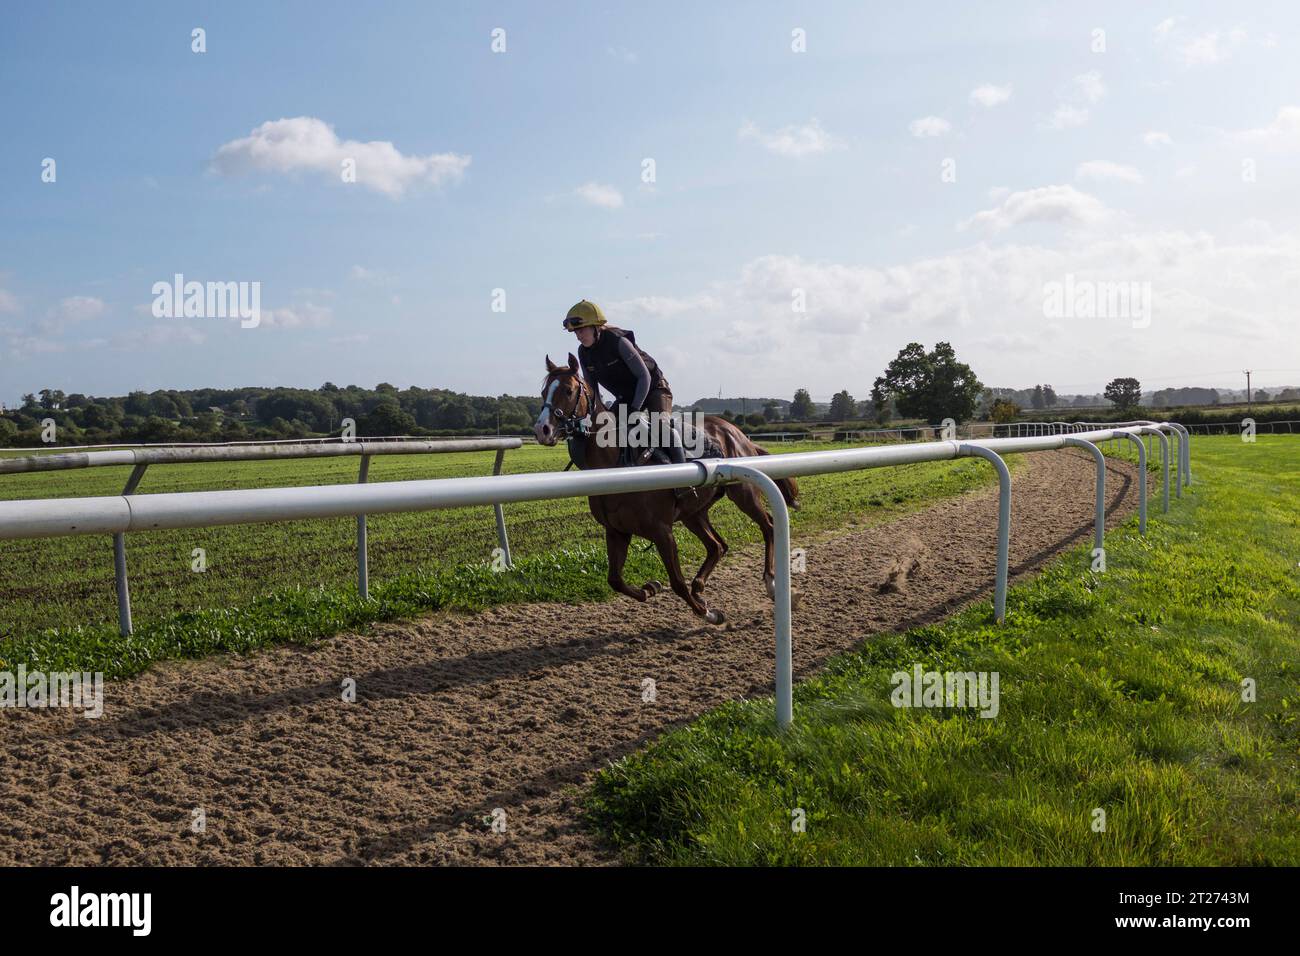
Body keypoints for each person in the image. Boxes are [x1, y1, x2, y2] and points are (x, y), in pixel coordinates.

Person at [561, 299, 696, 499]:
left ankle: (684, 482)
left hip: (654, 389)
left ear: (596, 327)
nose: (579, 336)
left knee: (660, 426)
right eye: (576, 332)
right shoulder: (584, 353)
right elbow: (593, 391)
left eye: (582, 330)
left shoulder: (618, 341)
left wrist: (635, 408)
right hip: (626, 396)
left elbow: (645, 377)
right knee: (607, 430)